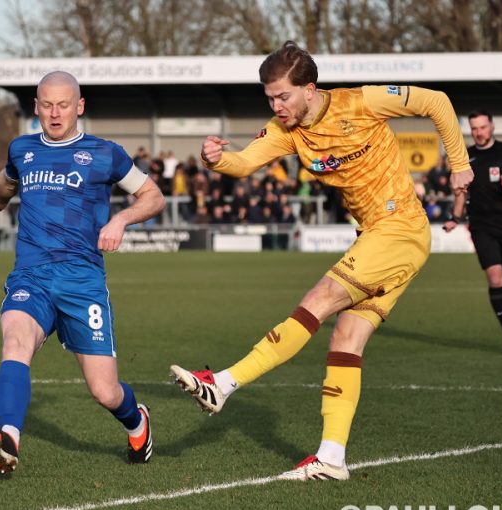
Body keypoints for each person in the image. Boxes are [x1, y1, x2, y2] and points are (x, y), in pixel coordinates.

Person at [169, 41, 473, 481]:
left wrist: (459, 163)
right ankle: (332, 457)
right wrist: (214, 159)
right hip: (378, 237)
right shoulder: (286, 130)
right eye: (270, 98)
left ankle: (224, 383)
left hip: (401, 228)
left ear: (310, 89)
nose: (276, 106)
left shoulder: (362, 101)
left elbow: (437, 102)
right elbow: (244, 162)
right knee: (345, 341)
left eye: (283, 96)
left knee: (322, 296)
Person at [0, 71, 165, 473]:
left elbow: (153, 196)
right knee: (15, 341)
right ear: (36, 108)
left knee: (104, 391)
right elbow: (8, 180)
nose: (55, 113)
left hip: (83, 281)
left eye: (64, 105)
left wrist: (120, 221)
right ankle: (9, 437)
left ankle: (137, 422)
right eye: (47, 105)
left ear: (79, 107)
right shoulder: (22, 149)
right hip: (32, 275)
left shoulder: (105, 153)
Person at [444, 110, 502, 355]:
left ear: (492, 127)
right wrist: (455, 217)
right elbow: (461, 192)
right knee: (495, 278)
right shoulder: (465, 157)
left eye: (483, 127)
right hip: (480, 225)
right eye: (474, 128)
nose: (478, 132)